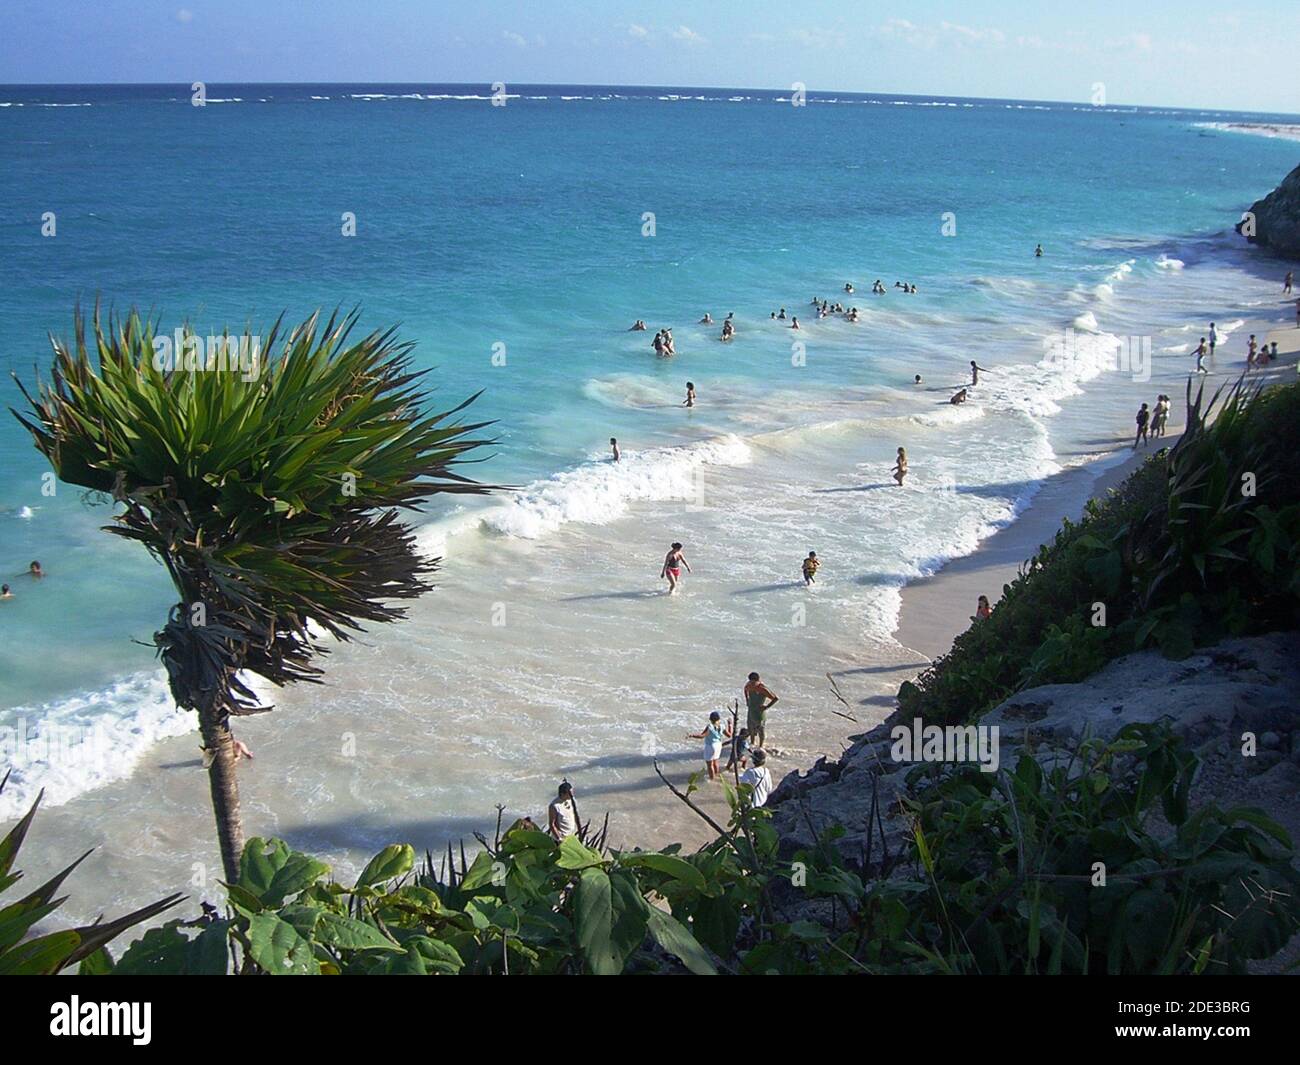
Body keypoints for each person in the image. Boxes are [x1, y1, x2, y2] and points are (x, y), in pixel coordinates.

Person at [687, 711, 732, 781]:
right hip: (718, 745)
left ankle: (712, 779)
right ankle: (717, 775)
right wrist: (730, 725)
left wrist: (692, 735)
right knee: (715, 762)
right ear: (718, 719)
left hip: (711, 746)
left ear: (710, 719)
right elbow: (729, 735)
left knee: (710, 765)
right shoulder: (722, 726)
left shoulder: (710, 727)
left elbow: (702, 736)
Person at [743, 673, 779, 750]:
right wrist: (747, 700)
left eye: (753, 683)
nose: (752, 684)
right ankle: (752, 743)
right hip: (751, 711)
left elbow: (775, 698)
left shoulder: (762, 689)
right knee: (750, 729)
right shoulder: (748, 685)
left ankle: (761, 746)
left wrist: (766, 707)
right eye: (750, 682)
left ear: (758, 681)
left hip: (759, 713)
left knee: (760, 730)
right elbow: (745, 689)